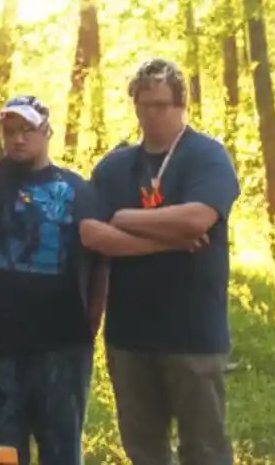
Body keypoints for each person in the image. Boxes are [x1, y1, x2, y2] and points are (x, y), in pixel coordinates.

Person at [81, 59, 240, 465]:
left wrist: (125, 218)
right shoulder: (115, 166)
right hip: (130, 333)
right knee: (144, 448)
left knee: (204, 447)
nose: (149, 114)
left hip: (193, 332)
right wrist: (168, 241)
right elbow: (93, 235)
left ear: (181, 104)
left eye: (160, 105)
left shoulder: (206, 156)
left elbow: (197, 218)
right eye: (142, 104)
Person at [0, 95, 106, 465]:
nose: (18, 139)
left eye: (27, 130)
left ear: (46, 132)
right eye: (10, 131)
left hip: (63, 343)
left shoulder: (77, 189)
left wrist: (94, 316)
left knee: (62, 449)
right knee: (3, 452)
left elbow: (100, 259)